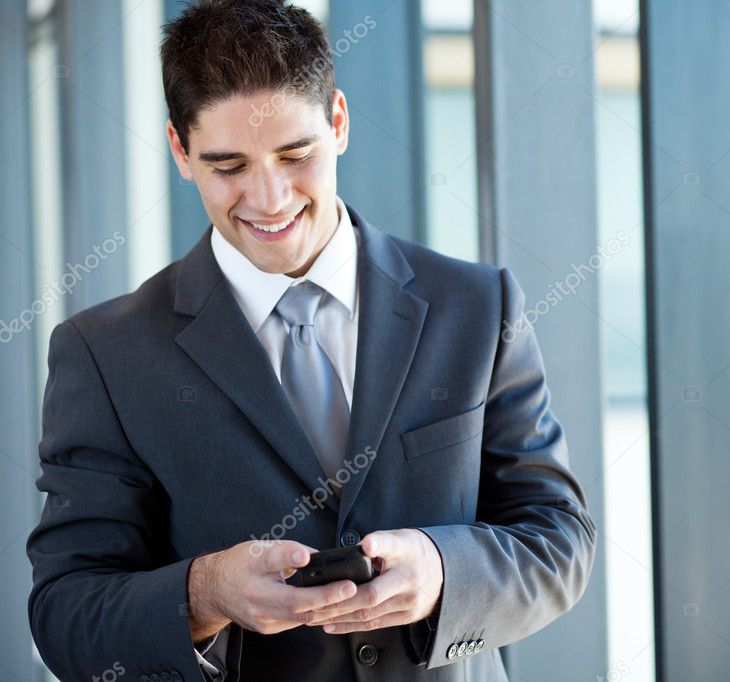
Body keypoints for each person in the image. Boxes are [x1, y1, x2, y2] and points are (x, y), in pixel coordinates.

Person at [24, 1, 596, 680]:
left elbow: (559, 540)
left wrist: (444, 570)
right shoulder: (104, 352)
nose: (269, 200)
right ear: (180, 151)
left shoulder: (475, 305)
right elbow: (66, 613)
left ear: (339, 122)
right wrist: (203, 594)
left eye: (295, 155)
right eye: (228, 166)